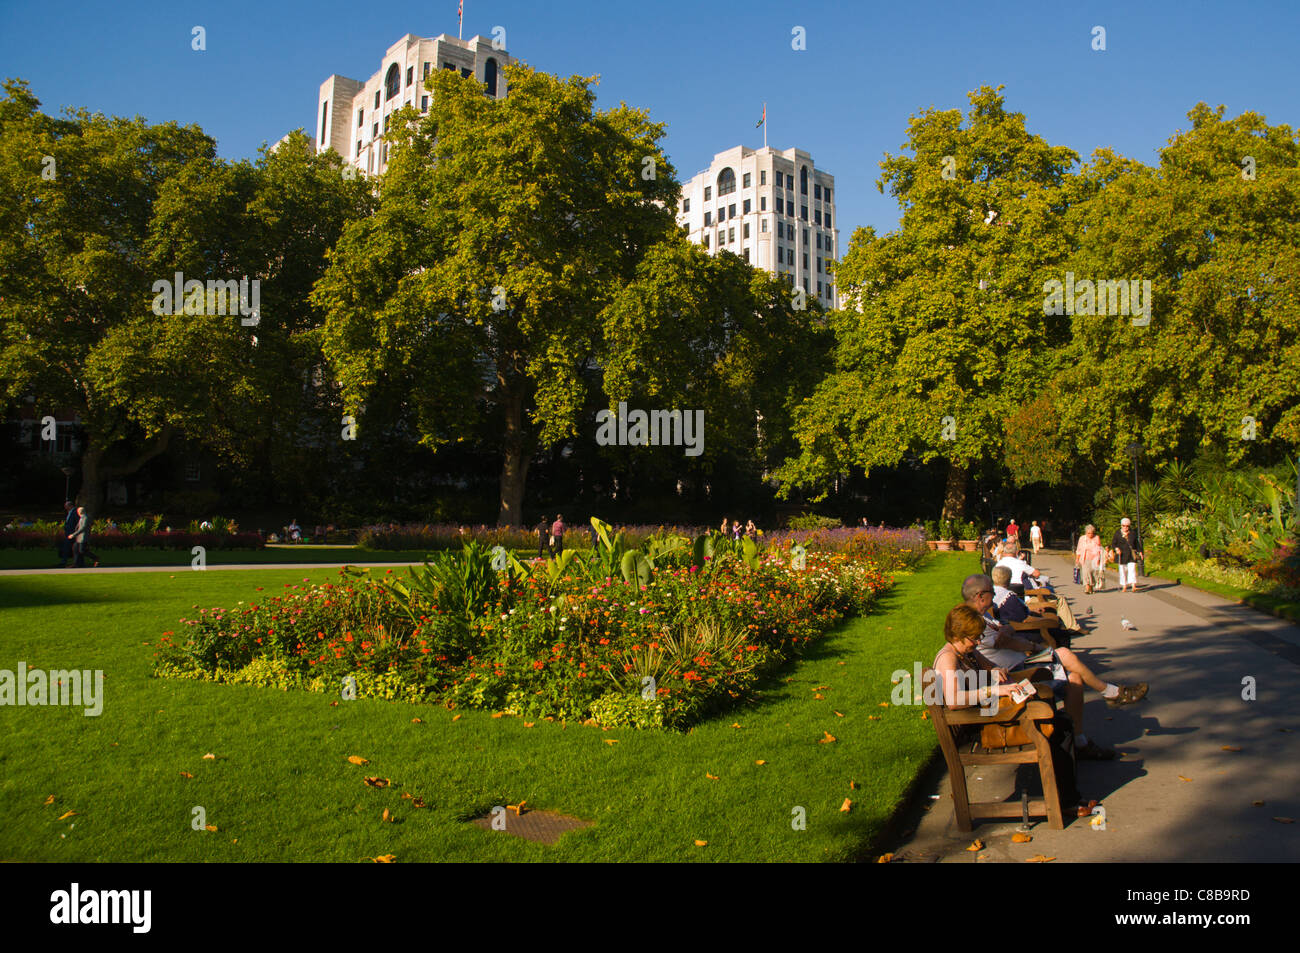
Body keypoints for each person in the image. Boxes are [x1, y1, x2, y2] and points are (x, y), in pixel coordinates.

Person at [961, 574, 1147, 759]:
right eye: (991, 592)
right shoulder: (973, 622)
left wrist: (1008, 629)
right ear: (979, 595)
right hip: (1016, 675)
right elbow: (1007, 642)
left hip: (1020, 666)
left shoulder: (983, 614)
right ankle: (1111, 693)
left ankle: (1080, 740)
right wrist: (1035, 647)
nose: (994, 595)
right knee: (1064, 654)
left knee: (1074, 678)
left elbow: (1006, 628)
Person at [934, 605, 1083, 809]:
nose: (978, 642)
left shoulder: (966, 653)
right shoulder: (948, 658)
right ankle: (1067, 802)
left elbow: (991, 667)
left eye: (979, 637)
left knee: (1056, 720)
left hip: (989, 716)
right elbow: (954, 700)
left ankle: (1066, 797)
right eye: (974, 638)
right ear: (958, 634)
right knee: (1059, 726)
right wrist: (995, 691)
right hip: (979, 726)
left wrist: (997, 672)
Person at [1111, 518, 1143, 593]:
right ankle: (1124, 586)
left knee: (1132, 570)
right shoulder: (1118, 533)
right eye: (1124, 526)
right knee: (1123, 571)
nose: (1125, 527)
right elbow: (1113, 543)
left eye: (1127, 526)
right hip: (1122, 555)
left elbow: (1136, 543)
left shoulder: (1132, 533)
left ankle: (1133, 586)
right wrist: (1116, 549)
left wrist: (1140, 551)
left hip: (1131, 555)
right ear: (1121, 525)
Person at [1075, 524, 1105, 595]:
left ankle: (1091, 586)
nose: (1090, 534)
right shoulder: (1082, 538)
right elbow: (1079, 549)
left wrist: (1099, 559)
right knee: (1086, 572)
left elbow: (1099, 549)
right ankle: (1087, 587)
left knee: (1093, 573)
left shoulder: (1096, 538)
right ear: (1085, 533)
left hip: (1094, 558)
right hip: (1085, 558)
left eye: (1092, 533)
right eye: (1088, 533)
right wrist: (1077, 558)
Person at [57, 500, 77, 568]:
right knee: (69, 548)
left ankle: (64, 561)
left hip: (71, 534)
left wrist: (74, 533)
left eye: (66, 506)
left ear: (70, 506)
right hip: (68, 533)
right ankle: (65, 561)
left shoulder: (74, 512)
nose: (65, 507)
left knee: (69, 547)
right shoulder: (70, 512)